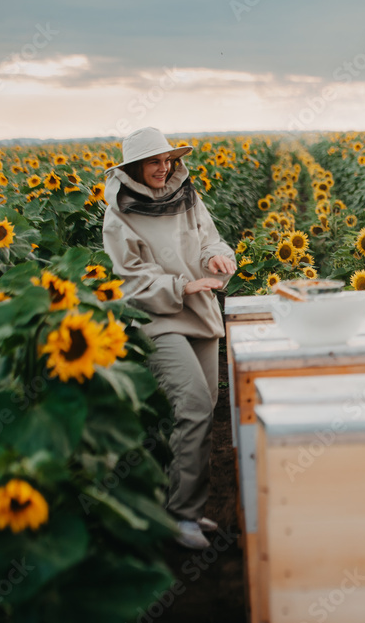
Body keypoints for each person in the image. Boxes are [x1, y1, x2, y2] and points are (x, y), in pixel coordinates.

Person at [102, 127, 238, 549]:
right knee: (194, 404)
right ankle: (179, 518)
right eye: (154, 162)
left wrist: (215, 257)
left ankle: (189, 509)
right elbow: (131, 278)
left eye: (168, 161)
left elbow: (206, 238)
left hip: (197, 310)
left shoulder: (186, 195)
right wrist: (182, 286)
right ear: (133, 168)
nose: (164, 169)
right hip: (157, 317)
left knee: (204, 407)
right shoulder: (120, 212)